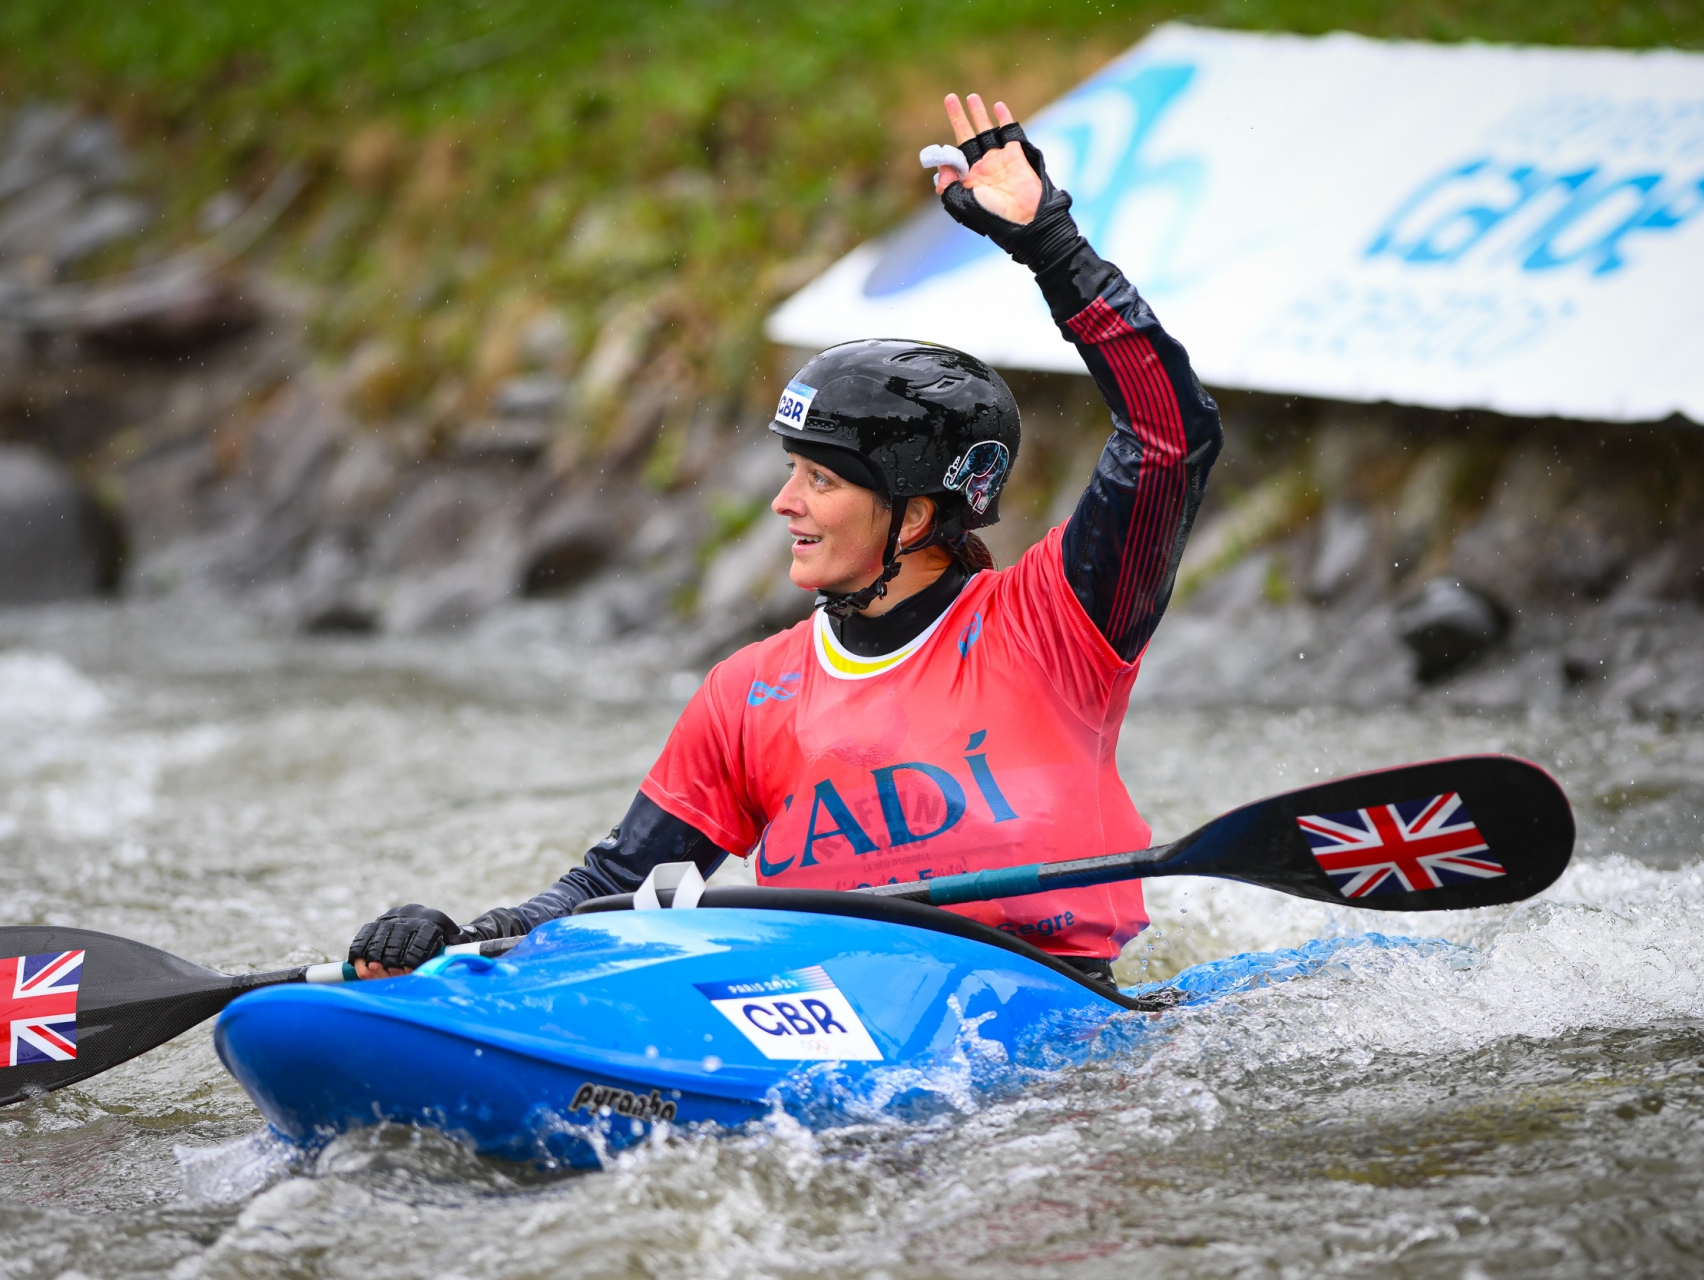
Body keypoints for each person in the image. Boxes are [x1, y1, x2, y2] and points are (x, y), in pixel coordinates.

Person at [350, 93, 1222, 997]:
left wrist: (1052, 245)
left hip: (1050, 1002)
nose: (783, 502)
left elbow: (1171, 436)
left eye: (822, 479)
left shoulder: (1058, 624)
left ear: (916, 515)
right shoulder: (747, 693)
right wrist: (465, 938)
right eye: (792, 470)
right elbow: (613, 889)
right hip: (829, 1006)